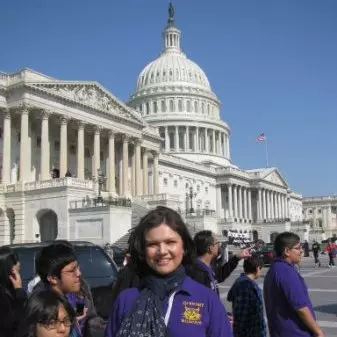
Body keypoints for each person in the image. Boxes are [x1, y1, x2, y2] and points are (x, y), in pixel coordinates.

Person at [104, 206, 232, 337]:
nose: (162, 251)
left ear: (184, 247)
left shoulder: (206, 299)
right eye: (152, 244)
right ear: (143, 250)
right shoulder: (126, 300)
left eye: (170, 242)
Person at [264, 232, 324, 337]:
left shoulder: (275, 269)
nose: (301, 251)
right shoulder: (286, 272)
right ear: (287, 251)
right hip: (295, 332)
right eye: (298, 248)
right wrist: (318, 331)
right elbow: (300, 307)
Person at [33, 242, 87, 336]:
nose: (78, 273)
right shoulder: (43, 308)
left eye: (78, 267)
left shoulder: (69, 296)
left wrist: (75, 318)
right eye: (71, 270)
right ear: (53, 278)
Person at [193, 230, 250, 295]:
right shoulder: (196, 272)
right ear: (210, 248)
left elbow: (221, 274)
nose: (219, 245)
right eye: (217, 242)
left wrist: (237, 257)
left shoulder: (209, 265)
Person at [227, 254, 266, 337]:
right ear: (257, 268)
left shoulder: (241, 282)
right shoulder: (247, 286)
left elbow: (230, 297)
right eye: (261, 269)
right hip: (250, 333)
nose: (262, 271)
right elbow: (242, 316)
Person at [0, 246, 27, 337]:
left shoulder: (9, 289)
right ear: (10, 267)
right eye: (16, 261)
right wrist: (19, 292)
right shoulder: (3, 295)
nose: (19, 264)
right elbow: (16, 324)